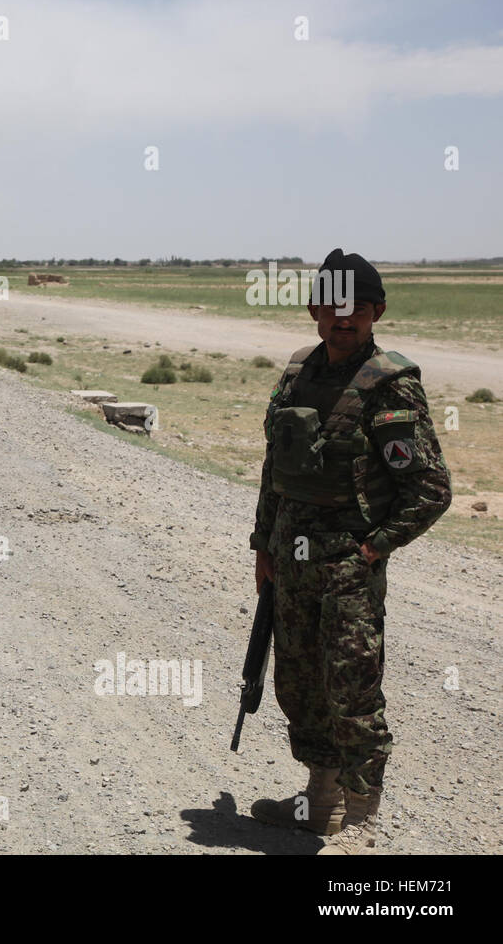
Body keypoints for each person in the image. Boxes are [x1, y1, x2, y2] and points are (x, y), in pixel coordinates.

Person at [248, 248, 451, 854]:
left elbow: (432, 491)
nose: (344, 318)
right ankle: (322, 801)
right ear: (314, 309)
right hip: (291, 557)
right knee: (300, 680)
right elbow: (273, 470)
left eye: (356, 308)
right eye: (333, 306)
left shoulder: (390, 383)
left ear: (376, 311)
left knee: (351, 684)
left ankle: (369, 820)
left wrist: (372, 550)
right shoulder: (296, 373)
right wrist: (262, 544)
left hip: (346, 565)